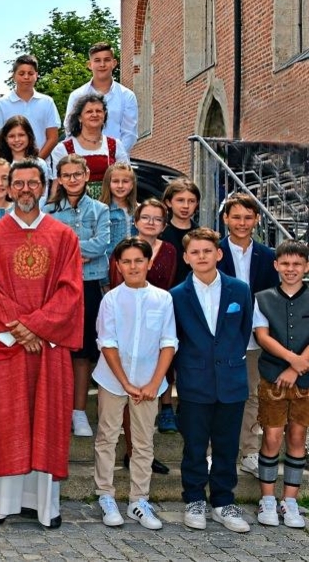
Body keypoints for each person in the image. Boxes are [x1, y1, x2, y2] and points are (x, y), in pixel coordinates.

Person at [0, 158, 83, 529]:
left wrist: (36, 328)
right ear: (8, 188)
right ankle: (1, 504)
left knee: (46, 421)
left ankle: (45, 506)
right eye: (20, 183)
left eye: (34, 183)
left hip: (46, 348)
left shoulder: (64, 236)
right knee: (5, 422)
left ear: (46, 187)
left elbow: (71, 291)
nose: (26, 190)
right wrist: (22, 331)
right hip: (6, 348)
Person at [172, 227, 253, 533]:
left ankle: (223, 501)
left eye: (207, 251)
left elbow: (242, 331)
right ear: (186, 257)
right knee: (194, 445)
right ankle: (194, 498)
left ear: (219, 254)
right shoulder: (177, 296)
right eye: (195, 252)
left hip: (231, 380)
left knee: (226, 445)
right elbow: (176, 338)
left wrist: (229, 361)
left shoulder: (239, 290)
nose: (202, 256)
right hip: (194, 381)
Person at [93, 238, 177, 530]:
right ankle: (105, 494)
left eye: (138, 260)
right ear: (118, 265)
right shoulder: (111, 300)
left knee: (143, 441)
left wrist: (155, 382)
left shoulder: (163, 299)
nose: (133, 266)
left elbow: (168, 342)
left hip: (149, 383)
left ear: (149, 262)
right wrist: (125, 382)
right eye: (126, 261)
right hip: (113, 380)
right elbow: (107, 342)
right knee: (107, 436)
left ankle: (138, 500)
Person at [109, 198, 177, 477]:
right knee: (128, 392)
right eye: (145, 217)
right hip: (125, 324)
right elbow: (116, 283)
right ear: (136, 221)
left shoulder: (170, 250)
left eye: (157, 218)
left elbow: (170, 284)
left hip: (158, 322)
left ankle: (145, 450)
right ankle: (131, 452)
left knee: (151, 391)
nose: (151, 223)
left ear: (164, 224)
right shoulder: (126, 249)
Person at [44, 155, 111, 438]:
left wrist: (67, 248)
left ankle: (79, 411)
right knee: (57, 349)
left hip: (91, 284)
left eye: (77, 174)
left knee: (83, 352)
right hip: (58, 287)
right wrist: (75, 252)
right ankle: (57, 409)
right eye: (66, 175)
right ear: (59, 178)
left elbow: (101, 243)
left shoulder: (100, 209)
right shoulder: (48, 212)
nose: (72, 179)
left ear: (86, 176)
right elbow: (47, 245)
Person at [217, 194, 279, 478]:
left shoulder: (268, 256)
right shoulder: (214, 252)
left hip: (256, 336)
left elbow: (272, 298)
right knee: (217, 395)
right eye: (236, 217)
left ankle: (249, 451)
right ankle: (215, 453)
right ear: (225, 219)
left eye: (247, 217)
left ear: (256, 220)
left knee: (252, 394)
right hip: (220, 337)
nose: (241, 223)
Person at [252, 240, 309, 528]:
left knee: (297, 437)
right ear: (276, 265)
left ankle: (290, 500)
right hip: (273, 377)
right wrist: (290, 362)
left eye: (297, 264)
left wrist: (299, 367)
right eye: (285, 264)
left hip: (306, 381)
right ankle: (268, 499)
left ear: (306, 267)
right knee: (272, 436)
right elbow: (262, 336)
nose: (291, 269)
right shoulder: (262, 298)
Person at [156, 178, 201, 434]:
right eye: (180, 200)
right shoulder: (161, 235)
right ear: (168, 203)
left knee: (191, 355)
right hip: (165, 302)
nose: (186, 206)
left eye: (191, 201)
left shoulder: (201, 234)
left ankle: (187, 404)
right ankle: (165, 406)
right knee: (166, 355)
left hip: (194, 302)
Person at [49, 94, 130, 199]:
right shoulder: (62, 149)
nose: (94, 114)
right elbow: (57, 185)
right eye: (89, 111)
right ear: (79, 117)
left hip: (111, 207)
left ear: (104, 115)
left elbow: (127, 178)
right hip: (76, 208)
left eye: (99, 111)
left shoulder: (115, 145)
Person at [65, 42, 139, 154]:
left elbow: (130, 134)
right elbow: (70, 129)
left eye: (107, 60)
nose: (102, 64)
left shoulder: (127, 96)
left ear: (114, 63)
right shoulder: (77, 96)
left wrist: (113, 158)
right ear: (89, 65)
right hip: (82, 162)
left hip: (117, 164)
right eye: (97, 60)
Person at [0, 55, 61, 160]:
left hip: (41, 167)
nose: (26, 77)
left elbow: (52, 137)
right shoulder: (1, 104)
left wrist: (37, 163)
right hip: (11, 168)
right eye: (21, 73)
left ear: (36, 75)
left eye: (30, 73)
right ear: (13, 76)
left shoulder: (47, 102)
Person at [99, 162, 138, 255]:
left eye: (125, 181)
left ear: (132, 185)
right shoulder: (100, 210)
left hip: (134, 259)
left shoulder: (138, 210)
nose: (120, 185)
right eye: (115, 181)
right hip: (110, 260)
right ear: (108, 183)